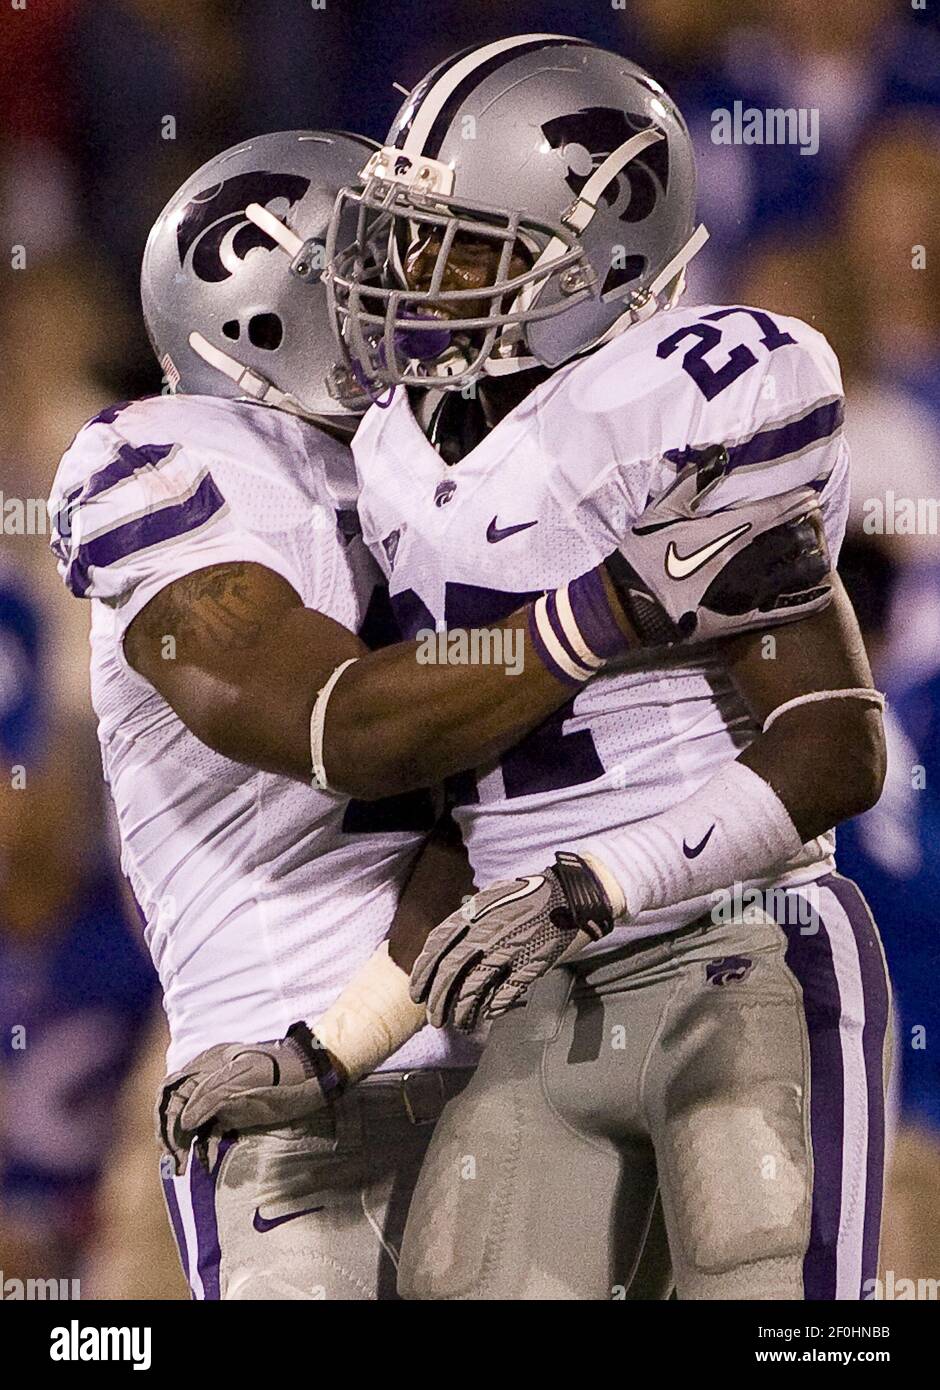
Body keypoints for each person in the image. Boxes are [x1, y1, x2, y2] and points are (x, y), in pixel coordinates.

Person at [48, 125, 809, 1299]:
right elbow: (341, 725)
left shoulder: (466, 462)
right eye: (401, 251)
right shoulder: (169, 457)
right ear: (265, 306)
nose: (416, 281)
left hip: (531, 1038)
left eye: (436, 249)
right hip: (302, 1100)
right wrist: (608, 605)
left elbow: (493, 796)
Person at [323, 35, 890, 1300]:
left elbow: (836, 746)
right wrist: (329, 1050)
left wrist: (592, 882)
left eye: (467, 242)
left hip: (738, 951)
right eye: (410, 238)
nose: (419, 278)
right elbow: (462, 813)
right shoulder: (390, 452)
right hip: (539, 985)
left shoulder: (695, 396)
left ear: (603, 255)